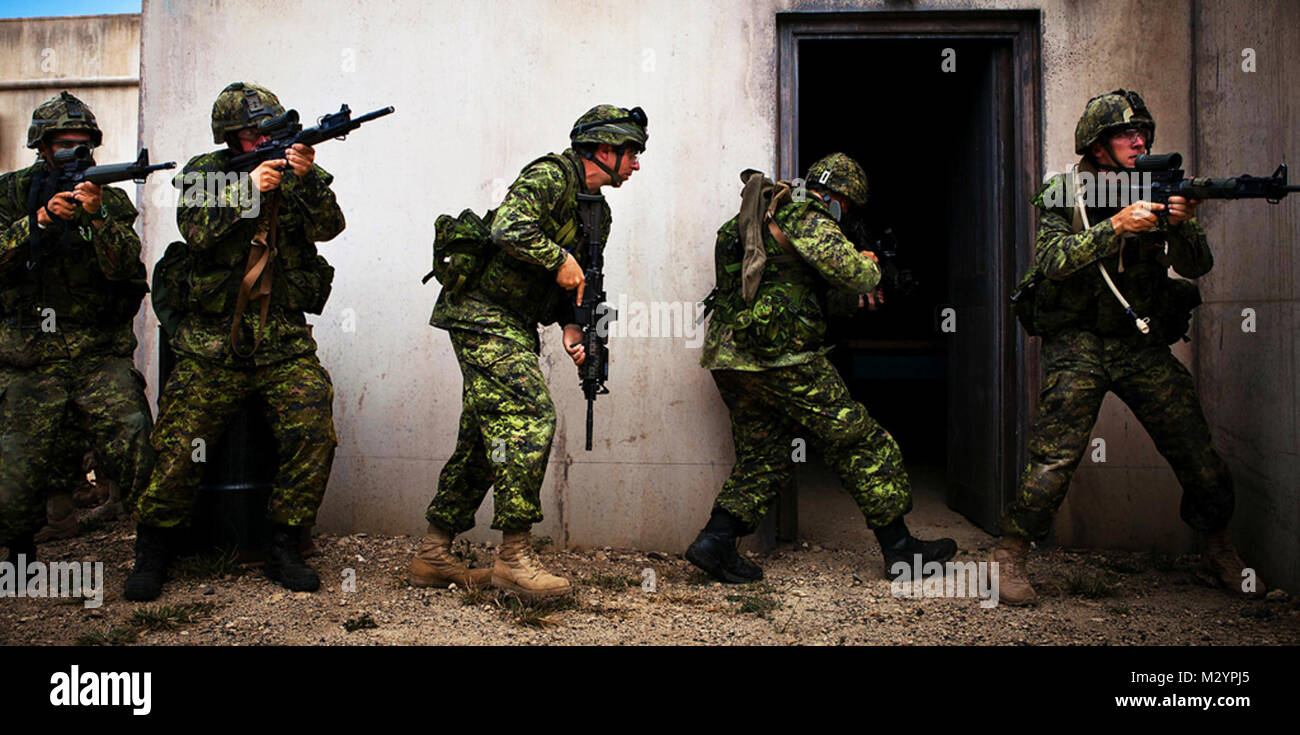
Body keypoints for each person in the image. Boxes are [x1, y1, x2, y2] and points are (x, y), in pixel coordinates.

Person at [996, 89, 1258, 605]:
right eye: (1124, 133)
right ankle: (1010, 553)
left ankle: (1218, 546)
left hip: (1138, 342)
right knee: (1054, 456)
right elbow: (1051, 259)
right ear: (1097, 146)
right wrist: (1116, 226)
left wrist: (1179, 225)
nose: (1138, 140)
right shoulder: (1063, 190)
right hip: (1078, 341)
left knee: (1195, 449)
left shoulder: (1160, 186)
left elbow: (1197, 266)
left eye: (1142, 131)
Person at [409, 105, 646, 597]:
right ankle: (513, 558)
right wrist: (558, 258)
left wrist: (571, 327)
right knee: (529, 414)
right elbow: (509, 230)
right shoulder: (549, 176)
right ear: (604, 149)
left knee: (483, 434)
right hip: (480, 311)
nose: (636, 165)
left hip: (514, 320)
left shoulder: (598, 212)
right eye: (632, 154)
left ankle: (433, 555)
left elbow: (579, 281)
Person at [686, 153, 957, 583]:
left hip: (731, 357)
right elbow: (857, 274)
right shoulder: (806, 214)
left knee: (766, 453)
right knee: (859, 440)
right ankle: (902, 550)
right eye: (846, 209)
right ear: (837, 197)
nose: (844, 216)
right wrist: (869, 263)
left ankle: (716, 541)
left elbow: (789, 286)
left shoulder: (765, 212)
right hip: (781, 358)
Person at [125, 82, 344, 601]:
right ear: (230, 137)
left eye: (269, 132)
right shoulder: (206, 172)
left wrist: (305, 179)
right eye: (253, 134)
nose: (263, 141)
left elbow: (331, 227)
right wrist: (249, 192)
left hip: (281, 340)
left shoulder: (298, 172)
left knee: (313, 426)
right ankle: (155, 546)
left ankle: (285, 540)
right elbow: (195, 232)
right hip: (212, 341)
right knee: (181, 443)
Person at [0, 91, 153, 563]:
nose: (75, 150)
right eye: (65, 142)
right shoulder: (9, 192)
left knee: (135, 443)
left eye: (83, 142)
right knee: (17, 467)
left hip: (98, 352)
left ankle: (154, 547)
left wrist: (98, 214)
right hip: (29, 356)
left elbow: (127, 266)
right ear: (42, 146)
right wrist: (40, 221)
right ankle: (18, 549)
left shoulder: (110, 196)